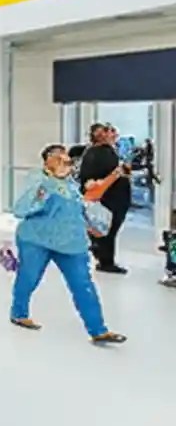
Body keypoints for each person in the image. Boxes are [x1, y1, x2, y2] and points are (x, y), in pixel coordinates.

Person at [9, 144, 127, 344]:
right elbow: (20, 209)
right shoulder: (39, 181)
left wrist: (92, 224)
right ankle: (19, 312)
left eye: (67, 161)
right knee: (29, 277)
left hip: (71, 244)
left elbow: (80, 206)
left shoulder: (72, 184)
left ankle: (98, 330)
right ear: (47, 163)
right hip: (36, 240)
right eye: (59, 160)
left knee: (83, 284)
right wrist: (44, 190)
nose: (65, 164)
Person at [78, 123, 130, 274]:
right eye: (111, 132)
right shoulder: (100, 153)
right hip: (109, 199)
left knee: (106, 229)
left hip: (111, 198)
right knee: (108, 229)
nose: (114, 135)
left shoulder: (101, 152)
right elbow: (91, 179)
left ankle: (102, 255)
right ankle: (106, 261)